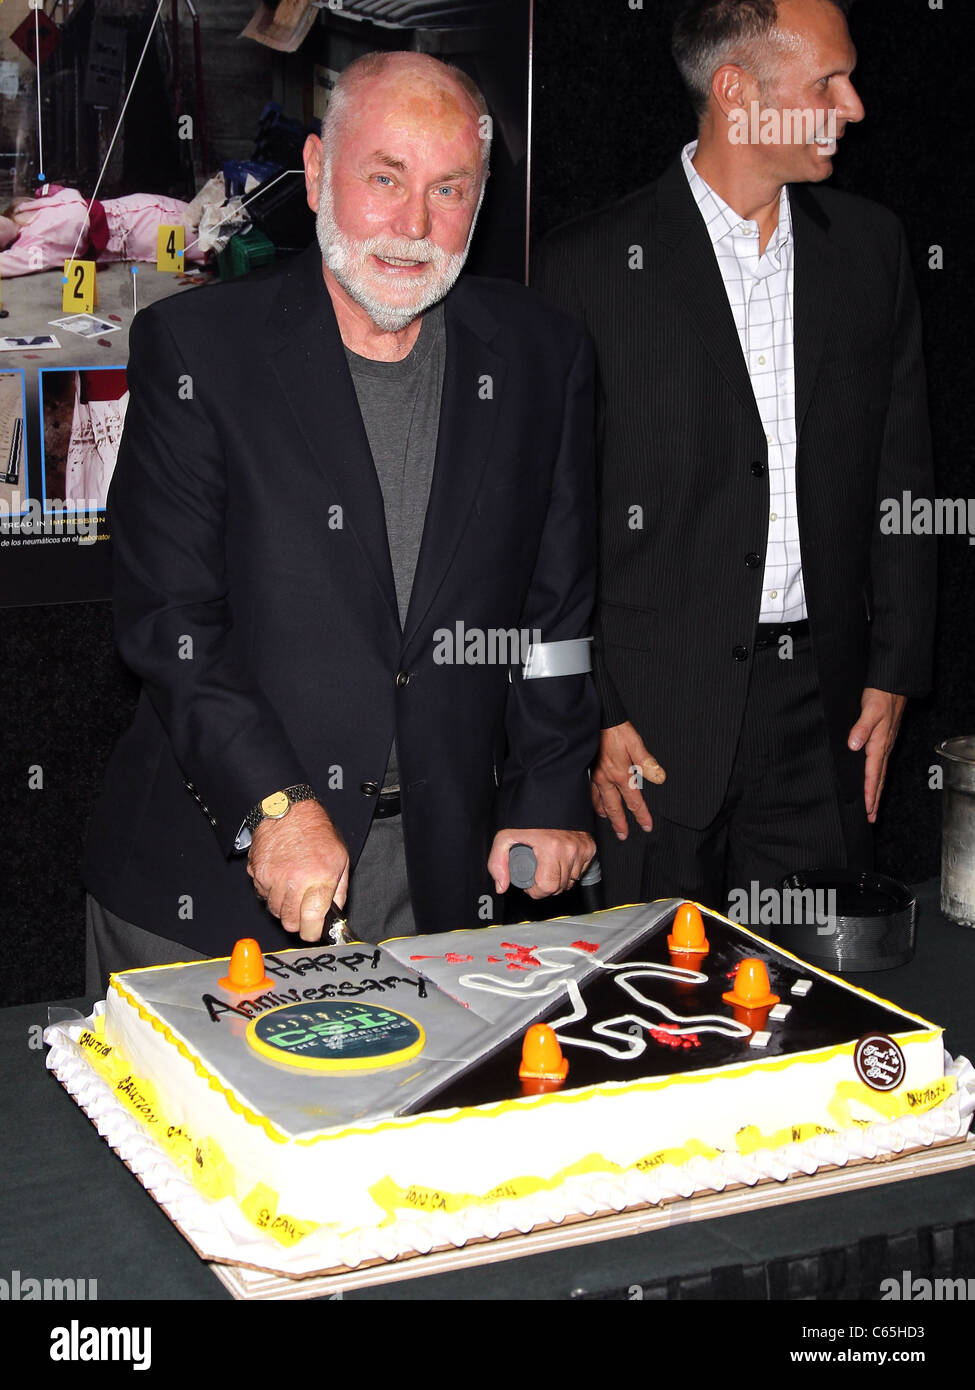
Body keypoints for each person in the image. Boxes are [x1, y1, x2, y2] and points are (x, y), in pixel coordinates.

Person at [83, 51, 598, 988]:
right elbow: (170, 622)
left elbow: (554, 618)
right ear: (317, 171)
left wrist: (550, 786)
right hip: (215, 876)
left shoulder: (541, 355)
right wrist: (272, 808)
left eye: (450, 189)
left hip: (445, 882)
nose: (413, 226)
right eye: (384, 178)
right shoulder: (199, 350)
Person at [532, 0, 935, 921]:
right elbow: (550, 522)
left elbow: (900, 470)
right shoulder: (587, 268)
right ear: (736, 92)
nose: (855, 105)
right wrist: (590, 709)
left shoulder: (870, 250)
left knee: (805, 1012)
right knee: (652, 1009)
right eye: (827, 82)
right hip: (650, 720)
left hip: (823, 707)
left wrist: (894, 665)